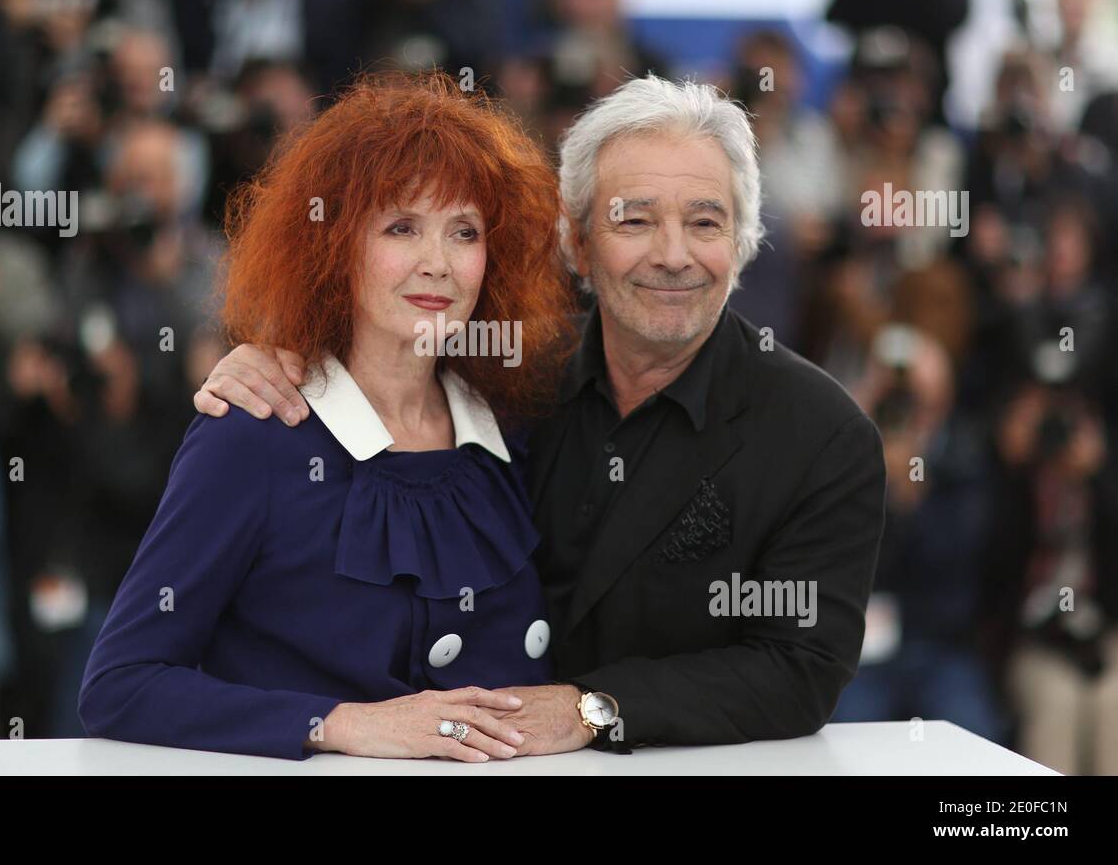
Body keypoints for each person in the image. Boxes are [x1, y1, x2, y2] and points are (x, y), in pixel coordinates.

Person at [197, 74, 889, 754]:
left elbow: (802, 669)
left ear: (742, 243)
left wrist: (596, 709)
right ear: (579, 243)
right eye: (635, 220)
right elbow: (379, 356)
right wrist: (273, 358)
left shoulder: (823, 436)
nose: (673, 255)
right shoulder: (505, 375)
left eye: (705, 222)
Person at [78, 72, 578, 760]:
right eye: (402, 227)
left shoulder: (517, 432)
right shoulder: (253, 434)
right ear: (334, 244)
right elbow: (121, 687)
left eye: (464, 232)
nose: (437, 264)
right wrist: (338, 723)